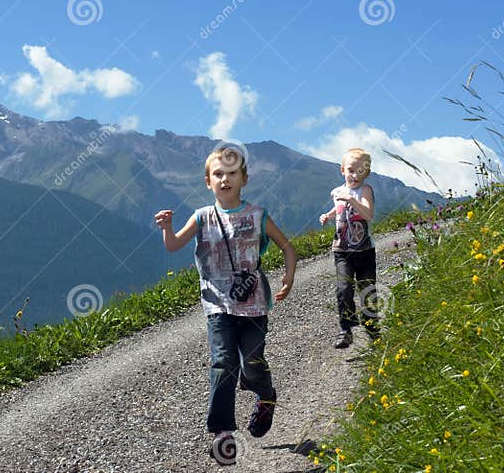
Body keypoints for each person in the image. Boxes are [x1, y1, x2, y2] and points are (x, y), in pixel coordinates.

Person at [154, 145, 296, 465]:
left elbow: (288, 247)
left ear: (244, 179)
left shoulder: (258, 215)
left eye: (232, 173)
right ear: (208, 181)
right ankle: (222, 432)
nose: (225, 179)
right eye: (218, 174)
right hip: (217, 305)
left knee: (252, 364)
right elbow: (175, 243)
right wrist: (166, 229)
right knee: (223, 362)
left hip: (255, 305)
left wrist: (288, 277)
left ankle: (266, 395)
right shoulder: (201, 217)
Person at [319, 147, 379, 349]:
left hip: (364, 251)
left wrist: (353, 199)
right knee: (343, 288)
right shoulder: (337, 192)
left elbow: (368, 214)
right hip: (342, 250)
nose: (355, 175)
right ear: (342, 170)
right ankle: (346, 329)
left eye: (360, 171)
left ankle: (372, 329)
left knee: (367, 290)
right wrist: (328, 216)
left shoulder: (365, 191)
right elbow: (339, 208)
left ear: (366, 173)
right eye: (351, 170)